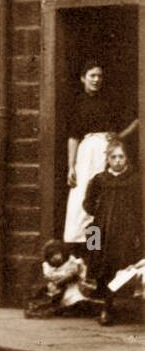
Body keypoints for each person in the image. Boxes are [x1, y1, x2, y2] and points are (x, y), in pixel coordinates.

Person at [64, 60, 138, 245]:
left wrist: (117, 139)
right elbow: (73, 136)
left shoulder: (111, 101)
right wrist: (71, 166)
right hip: (87, 154)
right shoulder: (77, 103)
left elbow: (136, 121)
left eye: (99, 76)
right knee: (87, 199)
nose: (97, 79)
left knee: (106, 199)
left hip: (108, 152)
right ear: (83, 78)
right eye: (92, 76)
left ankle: (108, 247)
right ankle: (92, 247)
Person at [82, 138, 141, 326]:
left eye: (121, 157)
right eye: (113, 157)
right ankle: (106, 308)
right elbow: (88, 204)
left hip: (125, 231)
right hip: (101, 230)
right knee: (100, 264)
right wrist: (101, 213)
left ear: (127, 159)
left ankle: (124, 308)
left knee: (123, 267)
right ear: (107, 159)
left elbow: (141, 207)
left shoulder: (134, 180)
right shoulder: (100, 180)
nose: (117, 161)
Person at [24, 239, 90, 318]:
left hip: (73, 287)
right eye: (52, 257)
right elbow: (48, 278)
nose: (56, 258)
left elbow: (75, 275)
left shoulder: (73, 262)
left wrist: (68, 277)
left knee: (76, 299)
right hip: (56, 289)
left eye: (58, 254)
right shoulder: (47, 266)